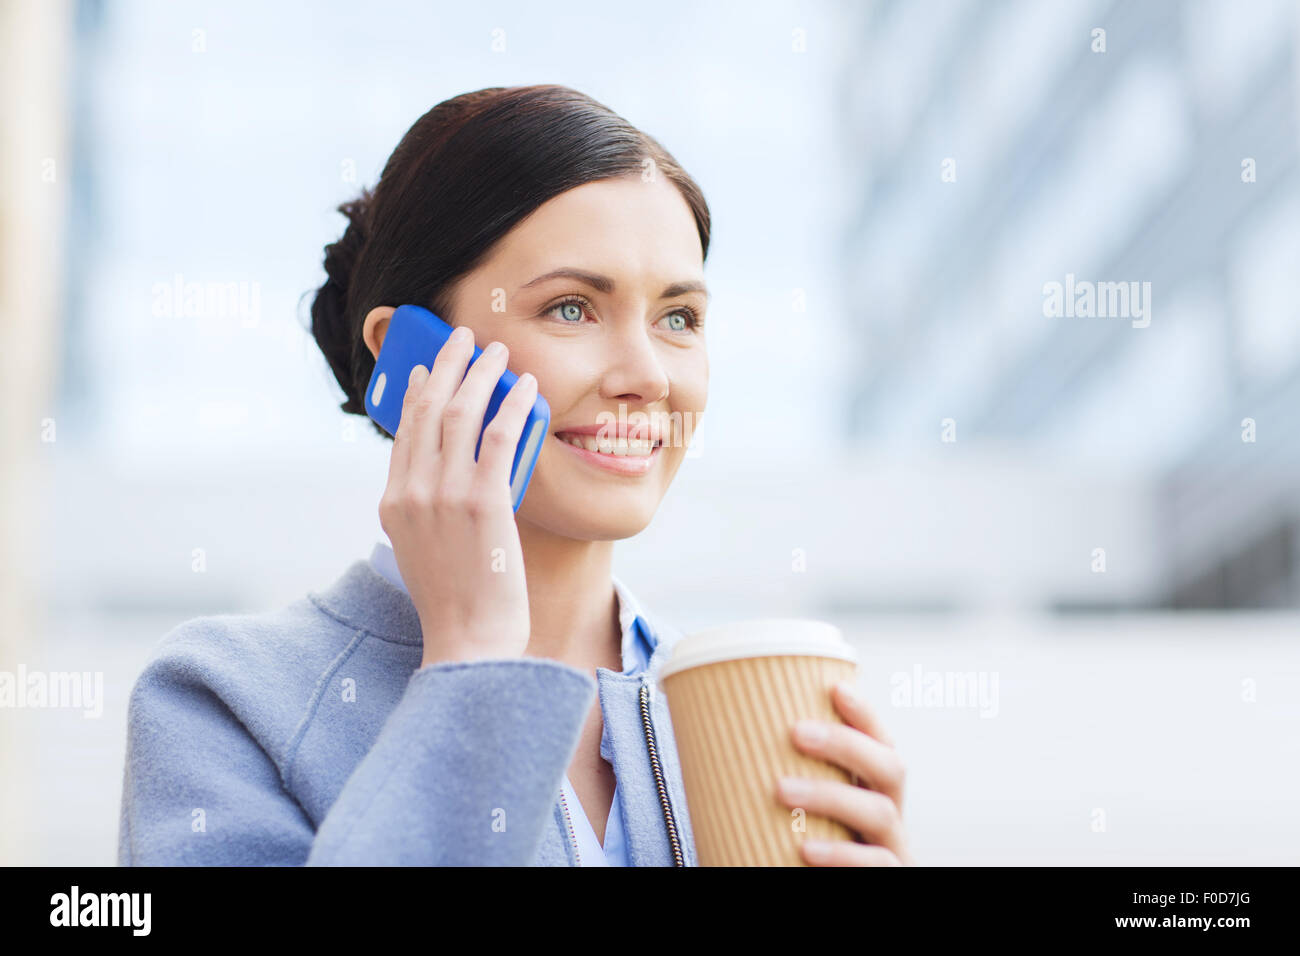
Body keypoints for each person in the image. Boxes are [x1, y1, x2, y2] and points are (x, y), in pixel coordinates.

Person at [117, 84, 913, 866]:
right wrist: (472, 665)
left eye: (679, 318)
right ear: (410, 355)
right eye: (571, 307)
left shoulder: (733, 707)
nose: (648, 375)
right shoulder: (227, 702)